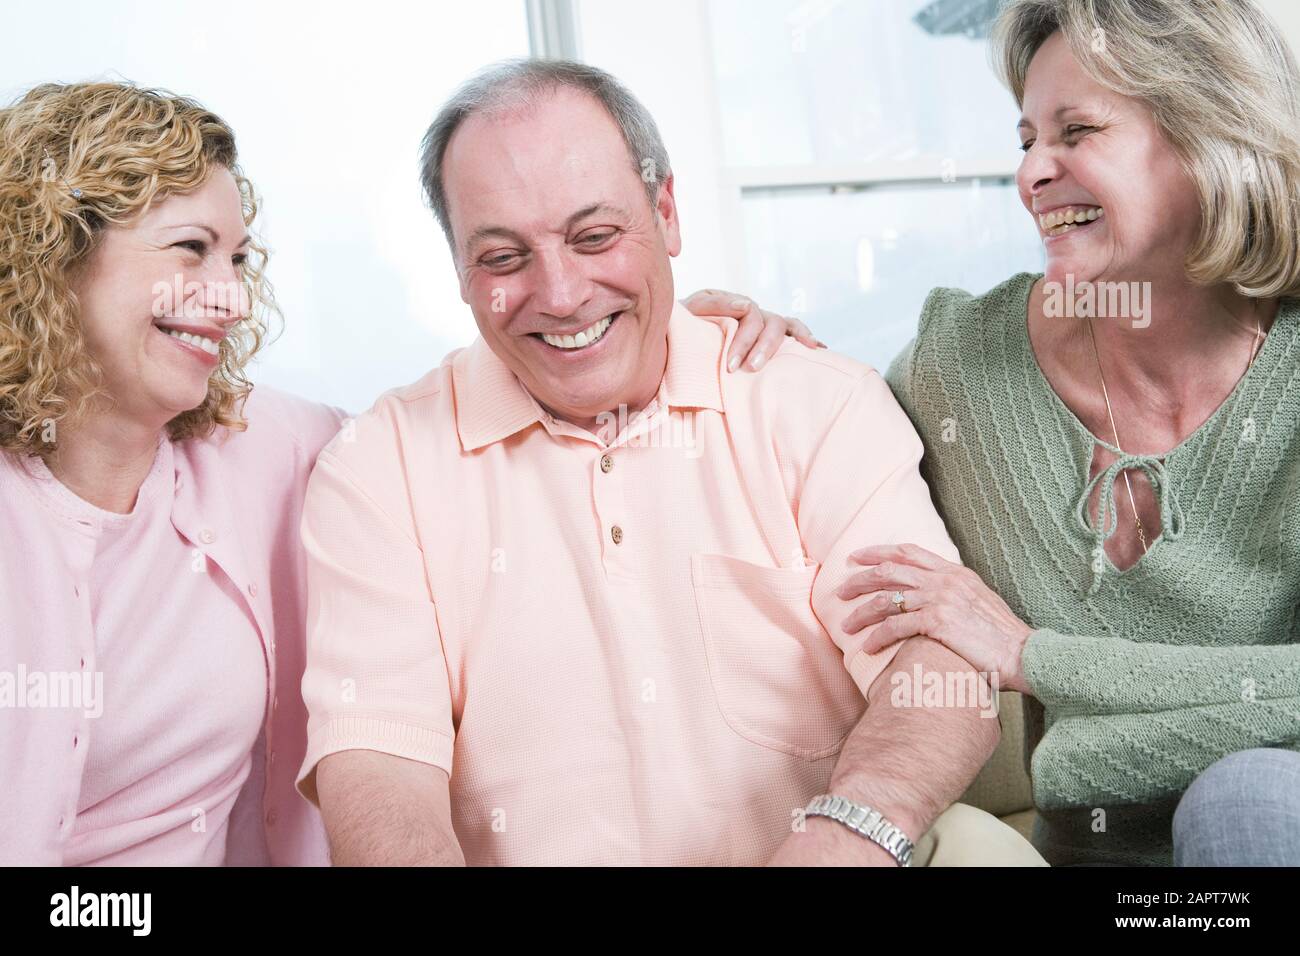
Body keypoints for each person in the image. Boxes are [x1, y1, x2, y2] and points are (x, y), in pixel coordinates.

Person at [0, 81, 793, 866]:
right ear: (55, 254)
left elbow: (452, 428)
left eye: (238, 258)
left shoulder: (267, 447)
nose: (232, 298)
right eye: (190, 250)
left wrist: (668, 334)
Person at [296, 59, 1047, 866]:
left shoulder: (811, 400)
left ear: (666, 212)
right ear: (459, 269)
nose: (560, 293)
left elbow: (936, 666)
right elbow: (377, 769)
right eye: (504, 259)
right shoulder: (379, 466)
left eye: (594, 238)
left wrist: (840, 841)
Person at [837, 0, 1300, 866]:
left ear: (1211, 138)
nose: (1032, 175)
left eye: (1076, 132)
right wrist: (725, 344)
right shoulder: (966, 373)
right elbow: (814, 427)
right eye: (1025, 141)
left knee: (1247, 794)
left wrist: (1036, 663)